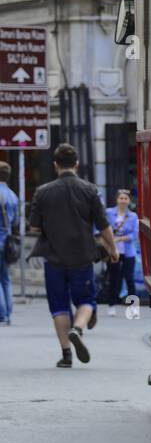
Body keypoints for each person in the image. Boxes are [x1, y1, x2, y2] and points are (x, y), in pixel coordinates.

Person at [29, 143, 119, 368]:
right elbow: (103, 225)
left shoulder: (42, 192)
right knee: (86, 300)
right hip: (82, 256)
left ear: (55, 165)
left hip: (54, 258)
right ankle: (77, 329)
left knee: (58, 306)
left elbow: (34, 229)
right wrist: (113, 248)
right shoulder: (89, 190)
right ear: (77, 164)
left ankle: (66, 355)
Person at [105, 188, 139, 315]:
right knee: (114, 277)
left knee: (129, 278)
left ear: (129, 201)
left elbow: (134, 235)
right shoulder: (108, 213)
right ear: (116, 199)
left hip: (128, 251)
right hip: (113, 251)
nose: (123, 201)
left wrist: (119, 238)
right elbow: (103, 227)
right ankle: (112, 305)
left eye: (125, 199)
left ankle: (133, 307)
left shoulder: (133, 216)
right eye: (121, 198)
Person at [0, 161, 19, 324]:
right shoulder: (13, 195)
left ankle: (2, 313)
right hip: (7, 241)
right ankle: (8, 313)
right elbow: (16, 222)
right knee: (6, 278)